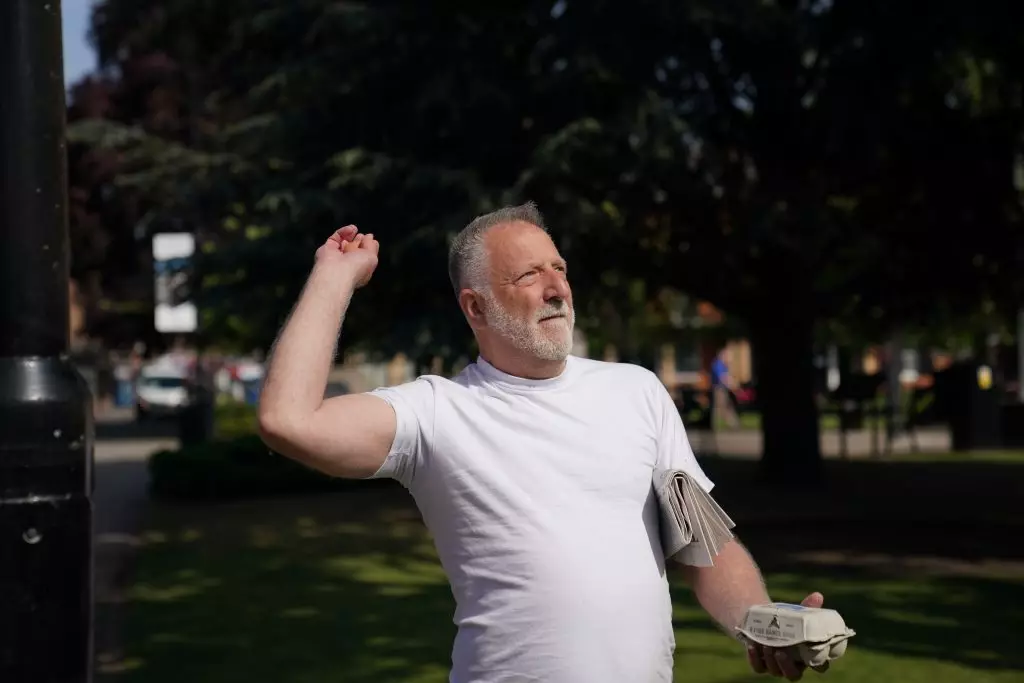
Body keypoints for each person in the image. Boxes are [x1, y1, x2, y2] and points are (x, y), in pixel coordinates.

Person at [257, 203, 825, 683]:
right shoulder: (435, 413)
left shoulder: (637, 391)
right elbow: (289, 420)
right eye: (529, 276)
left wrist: (761, 619)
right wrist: (334, 276)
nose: (557, 288)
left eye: (559, 268)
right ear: (476, 307)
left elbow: (703, 546)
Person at [711, 347, 741, 429]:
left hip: (722, 389)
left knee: (726, 405)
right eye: (729, 356)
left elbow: (727, 377)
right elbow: (723, 378)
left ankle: (734, 423)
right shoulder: (719, 364)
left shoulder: (722, 365)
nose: (730, 360)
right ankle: (733, 423)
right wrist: (733, 385)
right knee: (721, 406)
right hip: (719, 389)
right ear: (723, 356)